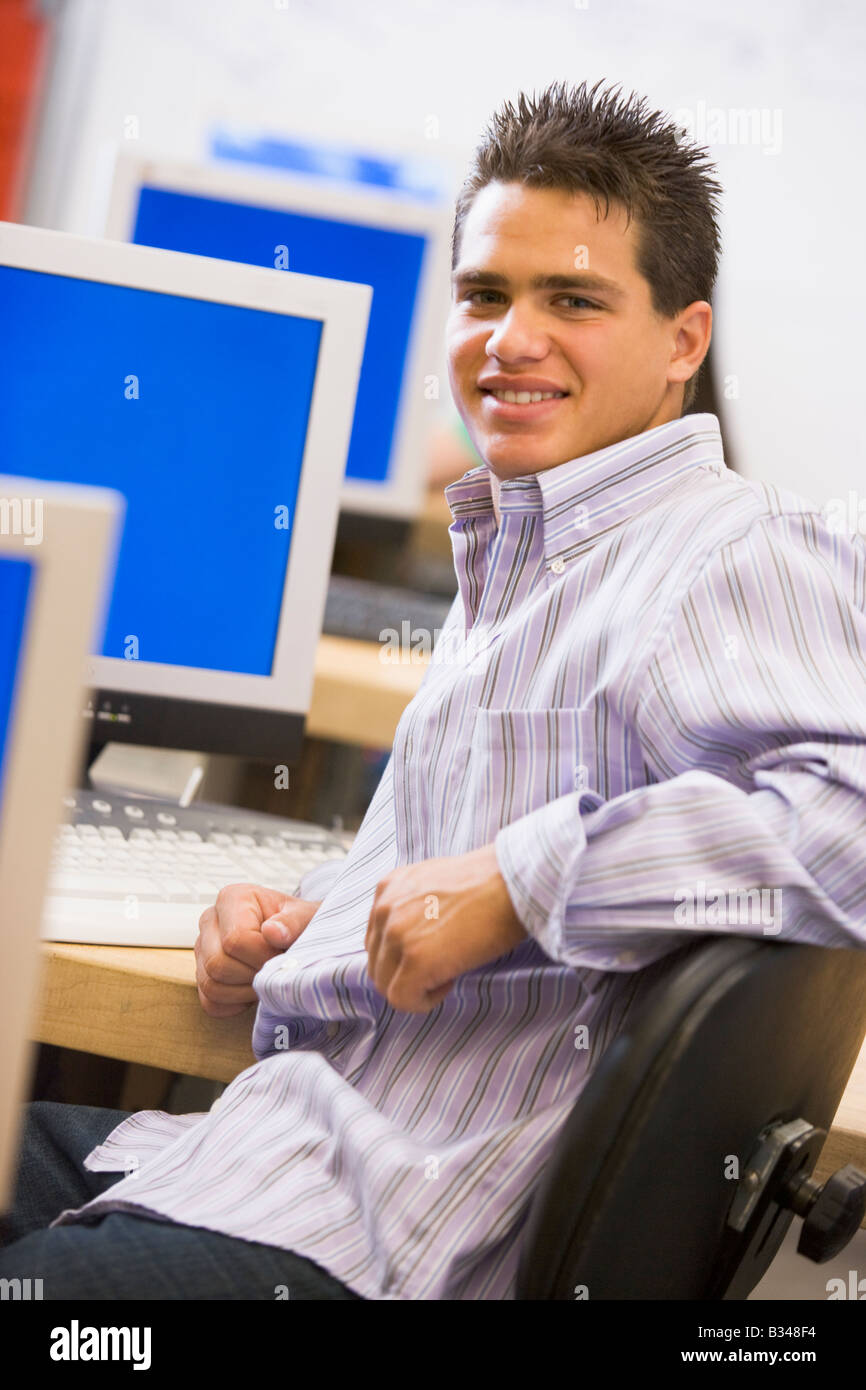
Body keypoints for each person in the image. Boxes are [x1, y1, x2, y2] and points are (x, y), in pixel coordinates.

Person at [3, 78, 866, 1301]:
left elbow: (851, 823)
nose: (511, 338)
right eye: (483, 295)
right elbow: (482, 847)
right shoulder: (532, 540)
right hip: (262, 1151)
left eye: (571, 298)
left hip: (379, 1232)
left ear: (682, 340)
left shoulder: (725, 553)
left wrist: (524, 880)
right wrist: (308, 913)